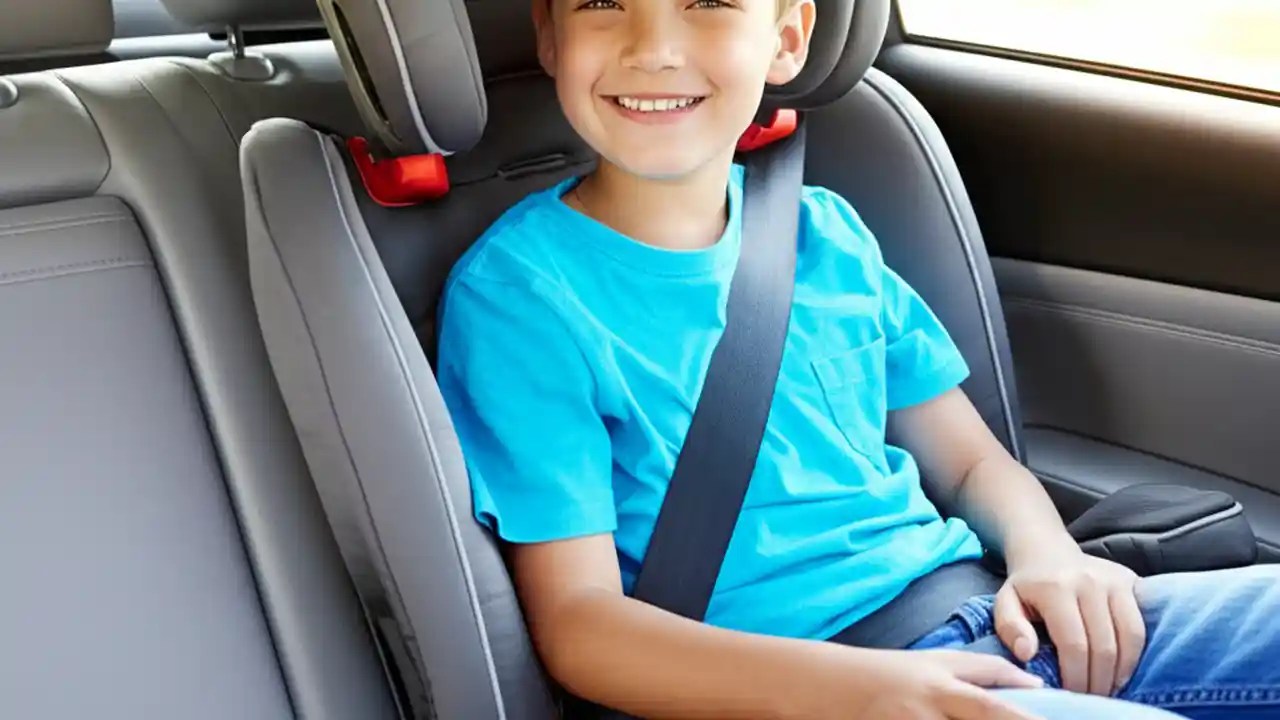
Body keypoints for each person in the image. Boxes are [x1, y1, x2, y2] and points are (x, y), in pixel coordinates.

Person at [436, 0, 1280, 718]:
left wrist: (1047, 553)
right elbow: (580, 624)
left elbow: (972, 463)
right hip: (811, 690)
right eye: (600, 2)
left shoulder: (825, 235)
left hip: (991, 616)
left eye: (708, 1)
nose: (652, 47)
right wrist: (864, 692)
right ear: (549, 34)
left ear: (786, 38)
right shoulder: (521, 296)